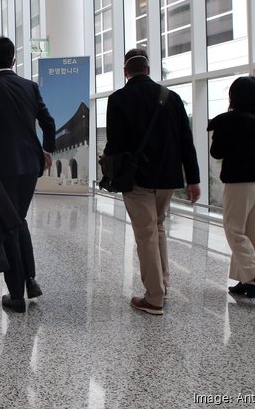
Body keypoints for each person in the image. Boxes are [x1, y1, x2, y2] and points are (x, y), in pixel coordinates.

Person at [104, 48, 200, 316]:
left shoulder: (118, 99)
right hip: (168, 177)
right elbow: (186, 141)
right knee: (157, 227)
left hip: (137, 179)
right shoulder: (171, 98)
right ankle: (163, 285)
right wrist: (193, 179)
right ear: (148, 70)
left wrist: (109, 167)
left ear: (126, 72)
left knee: (146, 234)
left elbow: (115, 143)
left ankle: (154, 298)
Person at [0, 36, 56, 313]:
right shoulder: (30, 86)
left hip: (1, 168)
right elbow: (49, 123)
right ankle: (29, 280)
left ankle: (16, 296)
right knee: (17, 220)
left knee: (7, 225)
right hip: (30, 165)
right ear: (14, 60)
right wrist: (47, 150)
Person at [207, 76, 255, 304]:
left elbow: (216, 152)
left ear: (234, 97)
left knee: (234, 231)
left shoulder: (229, 121)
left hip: (240, 184)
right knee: (252, 234)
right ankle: (247, 284)